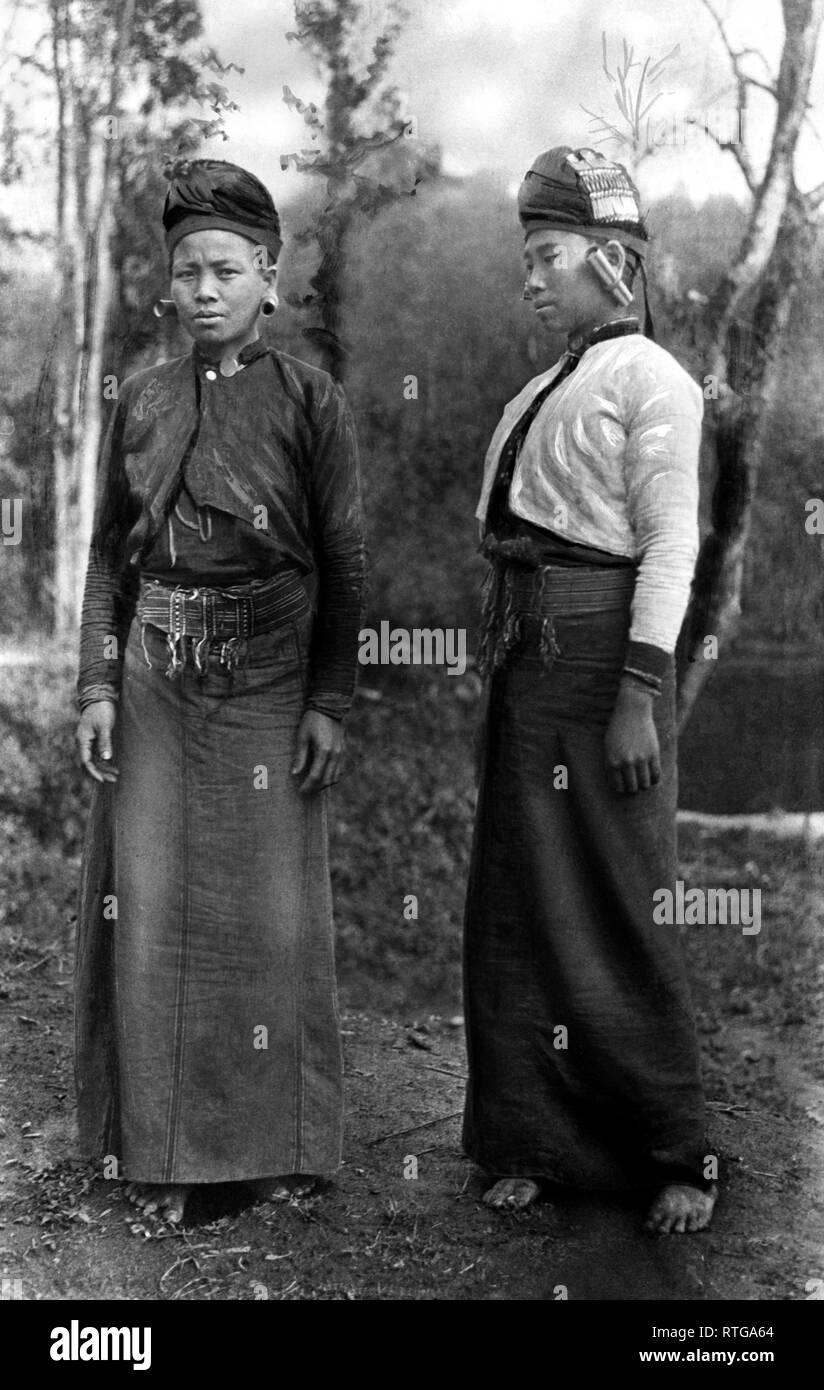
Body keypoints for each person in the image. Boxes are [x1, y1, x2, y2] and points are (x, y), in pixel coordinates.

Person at [74, 159, 367, 1224]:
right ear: (167, 282)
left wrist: (329, 701)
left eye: (226, 269)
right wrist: (97, 683)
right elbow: (111, 557)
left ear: (268, 281)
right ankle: (163, 1159)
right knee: (150, 912)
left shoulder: (307, 400)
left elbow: (346, 560)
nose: (204, 288)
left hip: (269, 680)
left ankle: (275, 1148)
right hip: (154, 680)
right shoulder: (141, 401)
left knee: (266, 919)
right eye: (186, 269)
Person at [462, 145, 716, 1236]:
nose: (528, 277)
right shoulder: (543, 383)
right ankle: (536, 1139)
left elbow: (670, 545)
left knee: (618, 893)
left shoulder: (650, 381)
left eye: (546, 254)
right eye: (523, 254)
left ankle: (676, 1149)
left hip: (606, 662)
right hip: (530, 661)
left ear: (613, 263)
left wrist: (634, 696)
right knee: (519, 896)